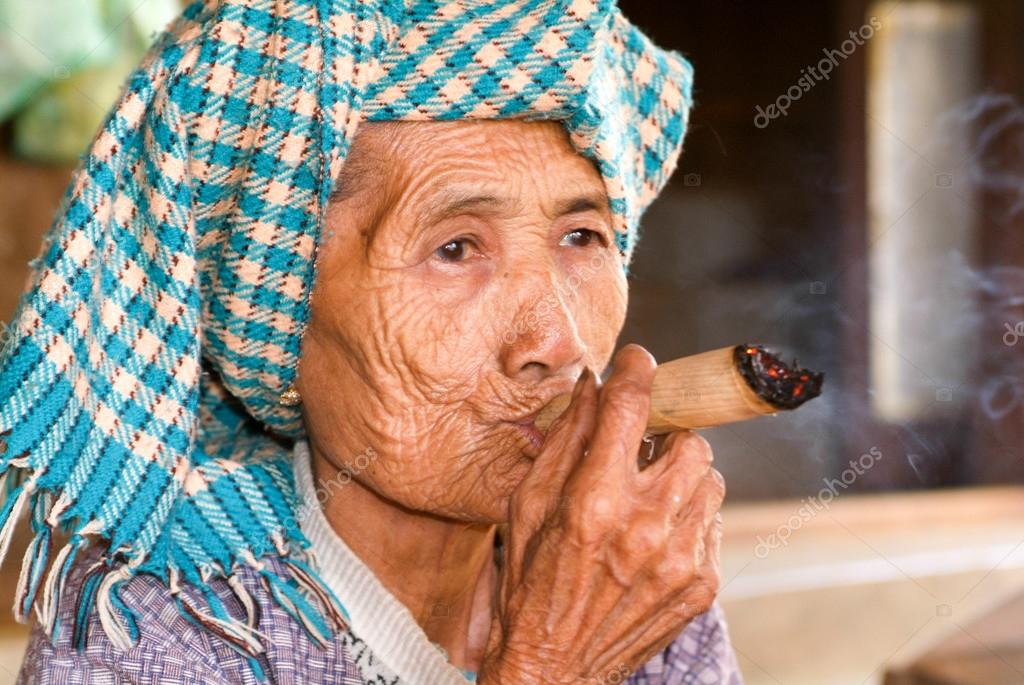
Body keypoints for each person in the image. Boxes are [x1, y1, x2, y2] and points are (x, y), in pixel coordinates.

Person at [1, 1, 743, 683]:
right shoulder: (154, 635)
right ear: (281, 314)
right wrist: (550, 663)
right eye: (455, 249)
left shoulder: (632, 581)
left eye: (581, 236)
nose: (558, 341)